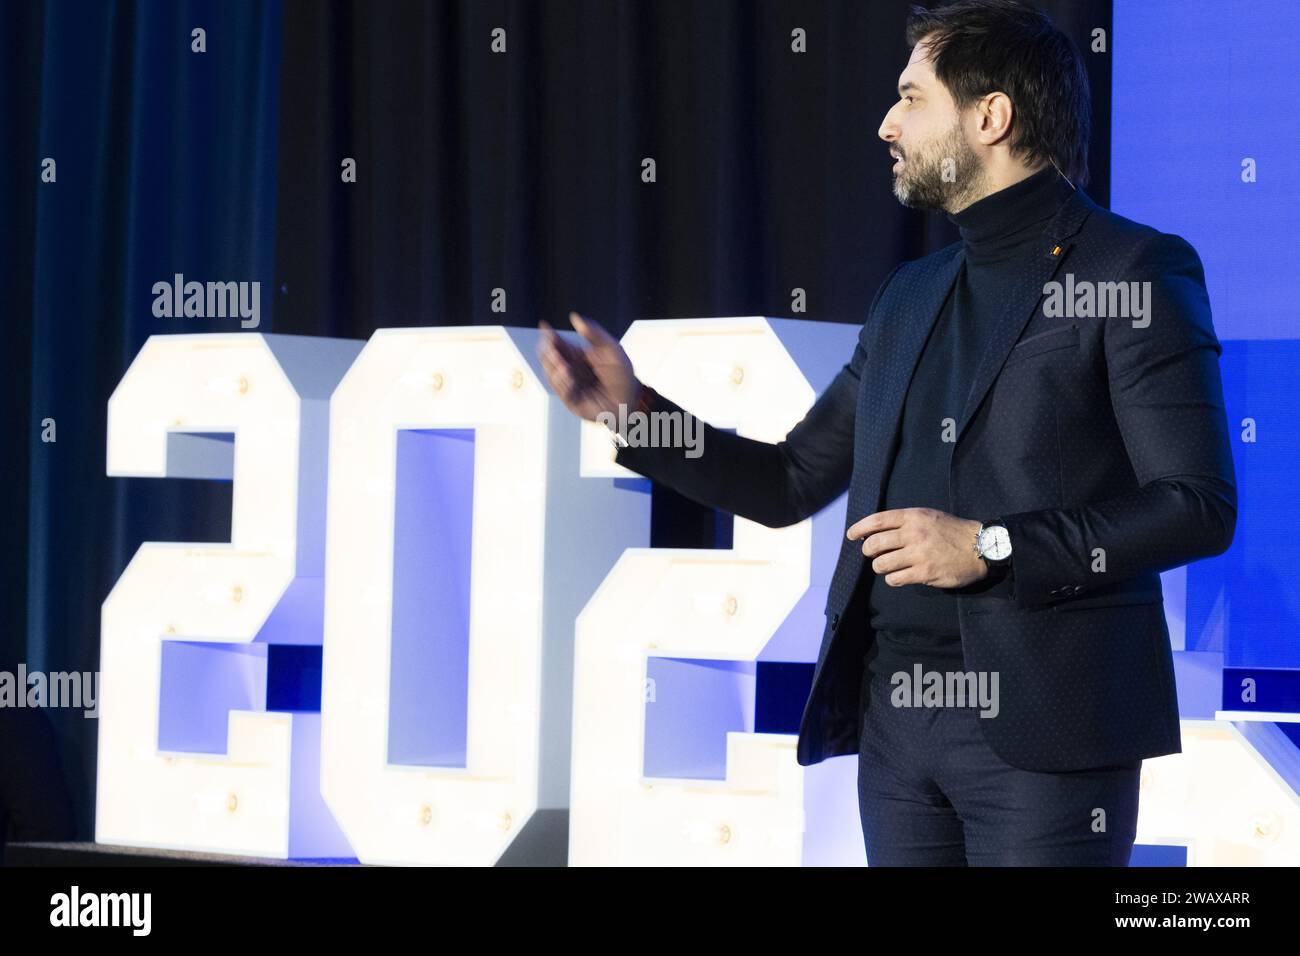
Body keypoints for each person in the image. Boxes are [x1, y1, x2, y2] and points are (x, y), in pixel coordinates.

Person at [537, 0, 1235, 865]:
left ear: (991, 115)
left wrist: (990, 546)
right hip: (897, 729)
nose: (886, 124)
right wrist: (635, 415)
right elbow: (791, 478)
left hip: (1049, 734)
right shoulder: (909, 294)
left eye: (911, 97)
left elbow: (1196, 505)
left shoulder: (1133, 269)